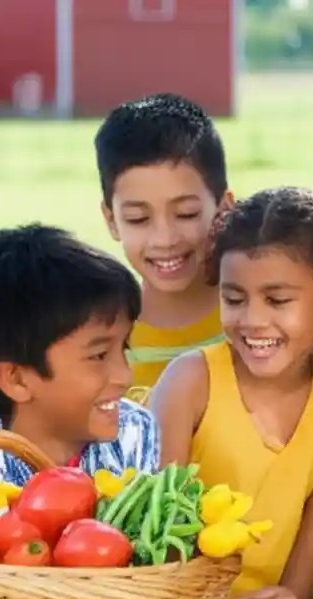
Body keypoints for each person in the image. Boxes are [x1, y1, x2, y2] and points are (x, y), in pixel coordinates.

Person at [150, 187, 313, 599]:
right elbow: (153, 530)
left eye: (278, 301)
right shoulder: (190, 383)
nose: (253, 320)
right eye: (235, 298)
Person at [0, 224, 160, 509]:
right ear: (17, 380)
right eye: (99, 355)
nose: (125, 376)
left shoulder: (137, 432)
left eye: (125, 347)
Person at [94, 92, 234, 395]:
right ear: (111, 221)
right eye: (138, 218)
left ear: (224, 209)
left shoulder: (257, 320)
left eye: (186, 214)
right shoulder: (100, 340)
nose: (165, 239)